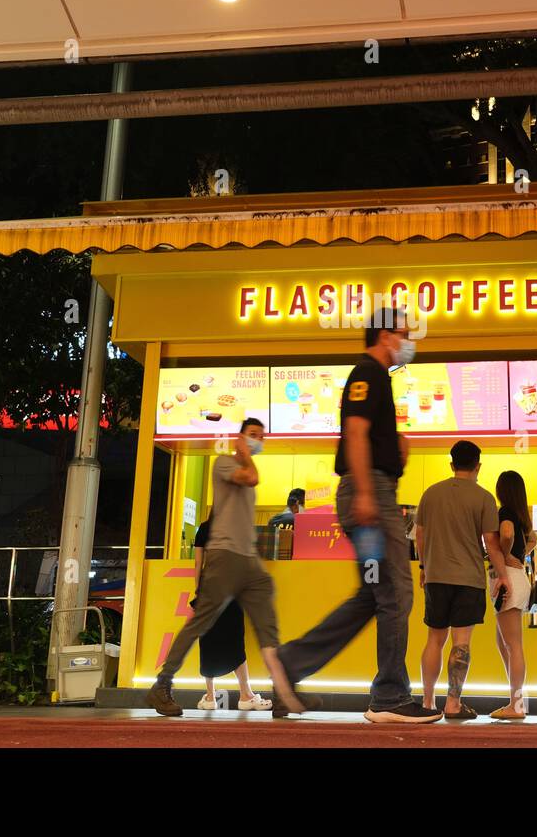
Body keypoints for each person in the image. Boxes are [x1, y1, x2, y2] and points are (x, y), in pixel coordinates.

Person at [274, 308, 441, 724]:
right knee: (398, 594)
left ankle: (288, 667)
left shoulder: (376, 378)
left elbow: (365, 436)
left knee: (375, 593)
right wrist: (368, 493)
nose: (408, 342)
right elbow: (355, 433)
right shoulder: (368, 373)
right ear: (384, 335)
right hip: (371, 499)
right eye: (403, 333)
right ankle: (389, 697)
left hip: (372, 494)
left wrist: (397, 454)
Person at [146, 419, 305, 716]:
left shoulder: (245, 471)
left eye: (262, 437)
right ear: (241, 437)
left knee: (267, 625)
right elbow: (251, 477)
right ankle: (162, 685)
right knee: (200, 622)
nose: (259, 441)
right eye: (253, 435)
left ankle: (282, 692)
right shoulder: (224, 464)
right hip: (223, 557)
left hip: (248, 561)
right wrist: (243, 451)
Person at [415, 441, 509, 720]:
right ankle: (453, 703)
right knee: (461, 642)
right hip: (469, 579)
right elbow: (492, 544)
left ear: (451, 464)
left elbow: (419, 535)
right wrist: (503, 575)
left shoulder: (430, 494)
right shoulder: (484, 498)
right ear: (478, 466)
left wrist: (423, 566)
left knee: (435, 639)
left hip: (436, 576)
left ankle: (428, 702)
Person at [190, 510, 271, 711]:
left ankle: (210, 697)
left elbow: (198, 563)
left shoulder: (205, 527)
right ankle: (246, 695)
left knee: (208, 639)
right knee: (234, 639)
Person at [492, 470, 535, 720]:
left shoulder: (505, 512)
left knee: (512, 645)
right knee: (505, 643)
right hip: (518, 579)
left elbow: (506, 534)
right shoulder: (522, 515)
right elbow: (534, 539)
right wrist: (520, 555)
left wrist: (506, 554)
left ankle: (516, 705)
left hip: (507, 578)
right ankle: (516, 701)